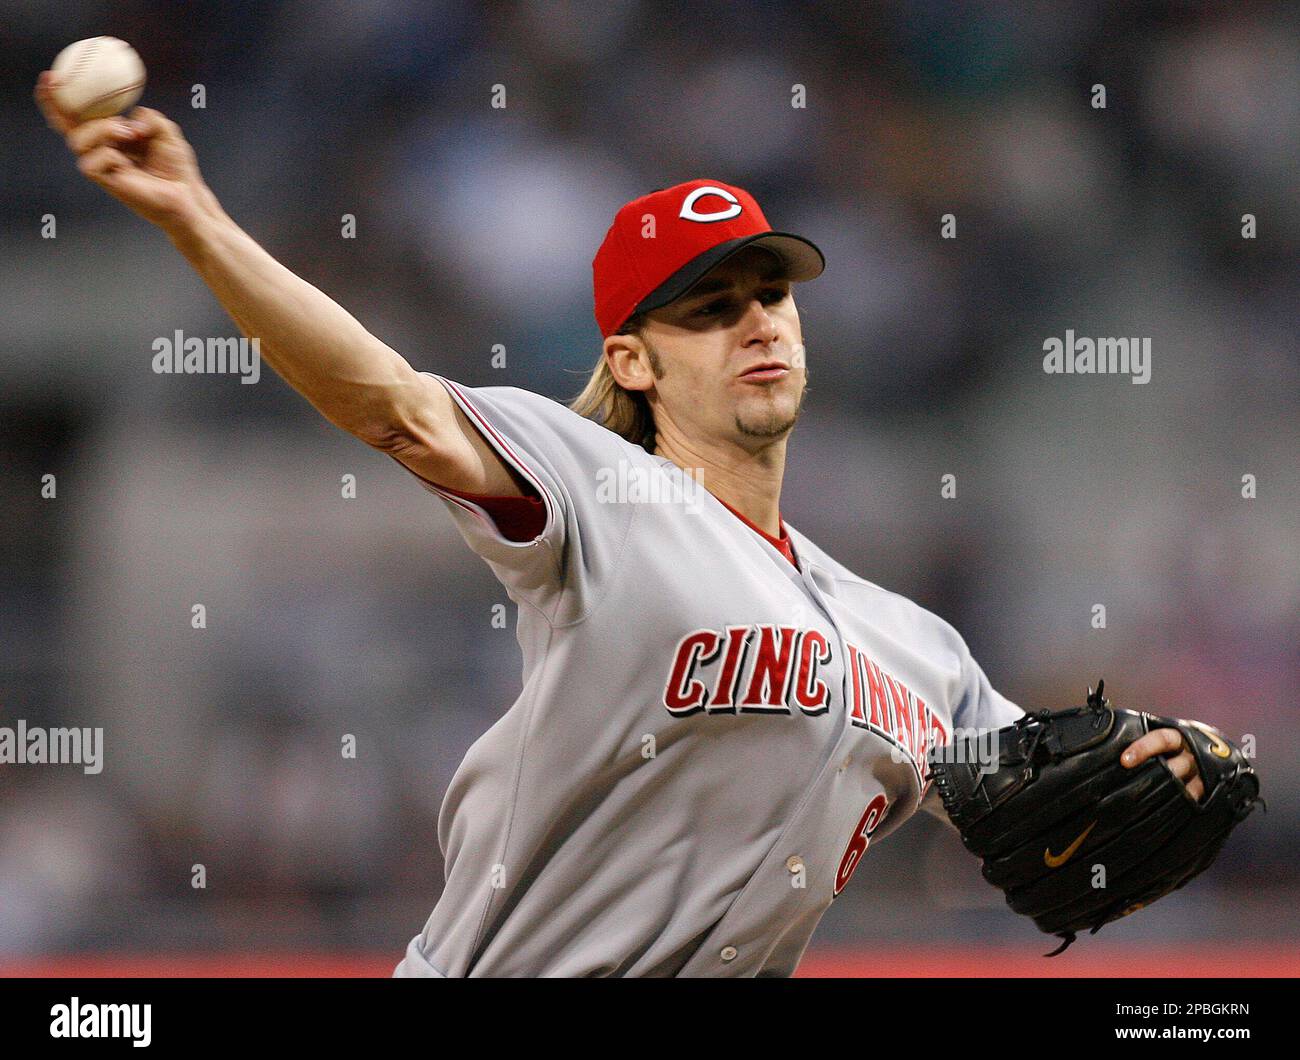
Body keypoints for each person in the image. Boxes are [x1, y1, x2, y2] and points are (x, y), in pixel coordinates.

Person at [36, 73, 1206, 977]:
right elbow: (386, 400)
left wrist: (1173, 779)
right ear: (632, 358)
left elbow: (1062, 829)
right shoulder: (591, 484)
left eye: (769, 294)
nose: (756, 321)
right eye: (708, 307)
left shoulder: (920, 649)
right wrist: (195, 217)